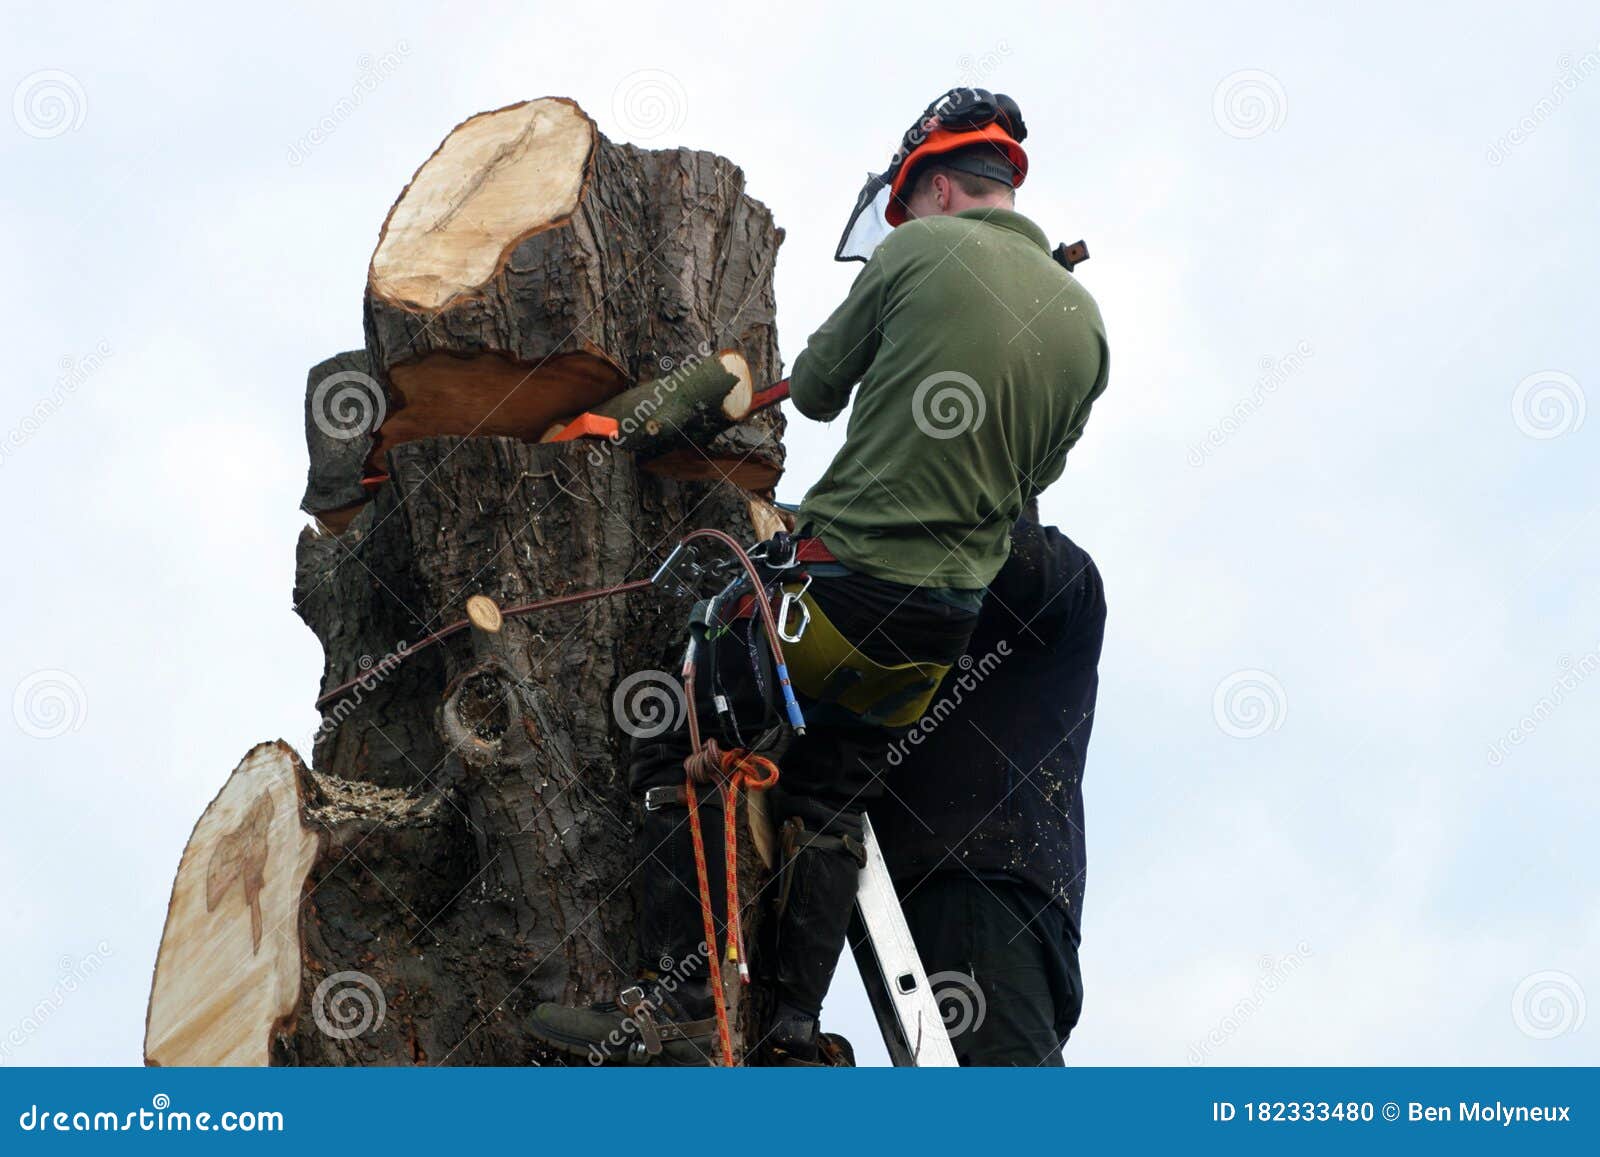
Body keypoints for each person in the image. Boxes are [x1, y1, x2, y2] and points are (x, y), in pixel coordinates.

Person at [529, 88, 1109, 1065]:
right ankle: (790, 1030)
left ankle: (671, 1010)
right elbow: (1030, 478)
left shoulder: (913, 253)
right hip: (935, 633)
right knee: (829, 796)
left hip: (837, 590)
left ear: (930, 188)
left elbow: (825, 387)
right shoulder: (1086, 327)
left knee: (672, 716)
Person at [874, 509, 1105, 1065]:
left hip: (981, 892)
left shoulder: (1056, 573)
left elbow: (979, 550)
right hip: (979, 895)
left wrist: (840, 528)